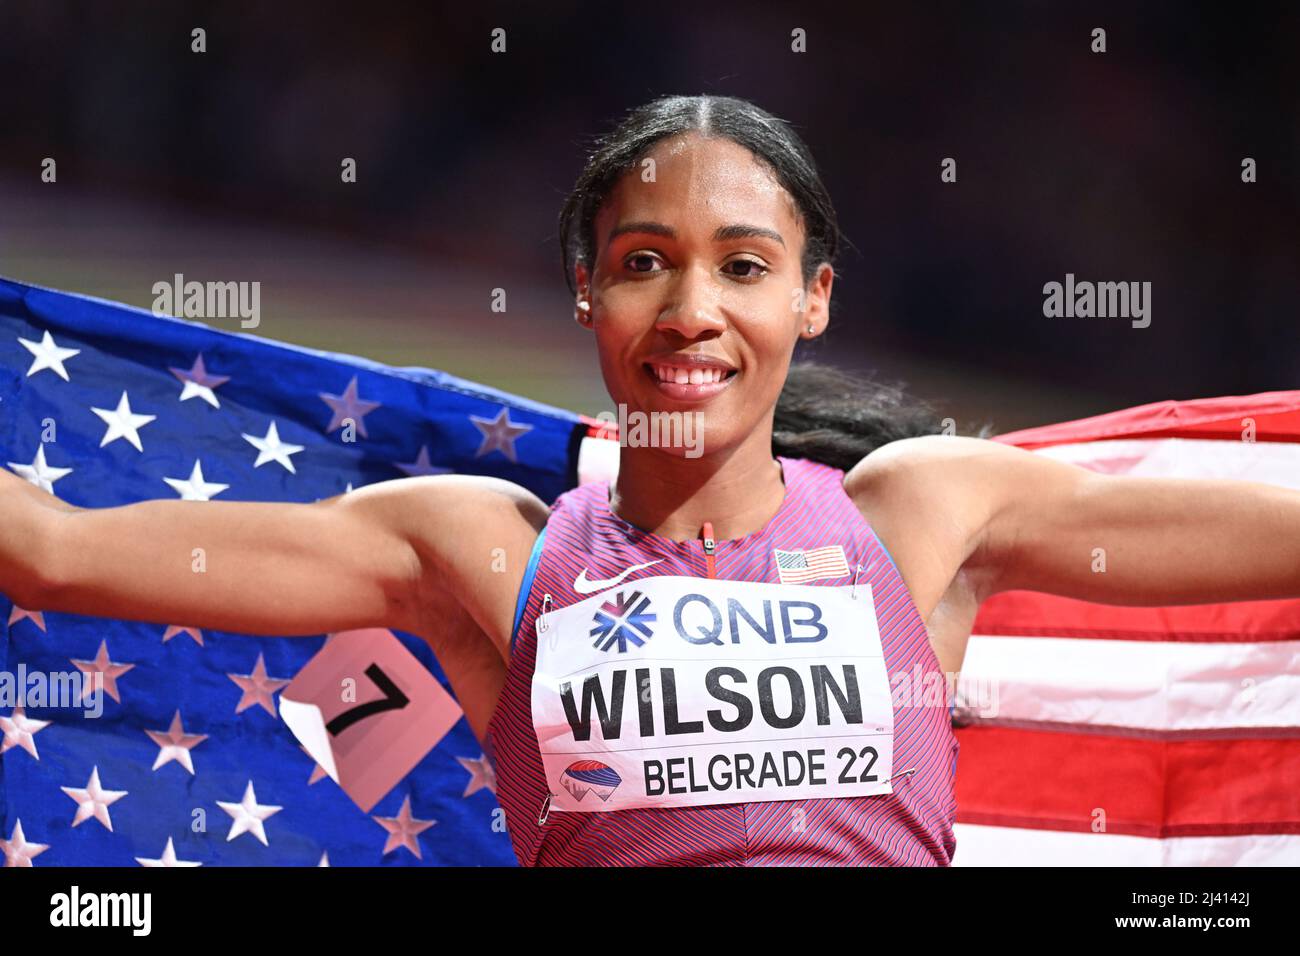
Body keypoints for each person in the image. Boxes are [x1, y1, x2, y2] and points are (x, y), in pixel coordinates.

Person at [4, 94, 1297, 866]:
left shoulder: (924, 512)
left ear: (813, 299)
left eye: (743, 266)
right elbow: (51, 550)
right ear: (587, 291)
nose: (691, 310)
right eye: (642, 263)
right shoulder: (480, 551)